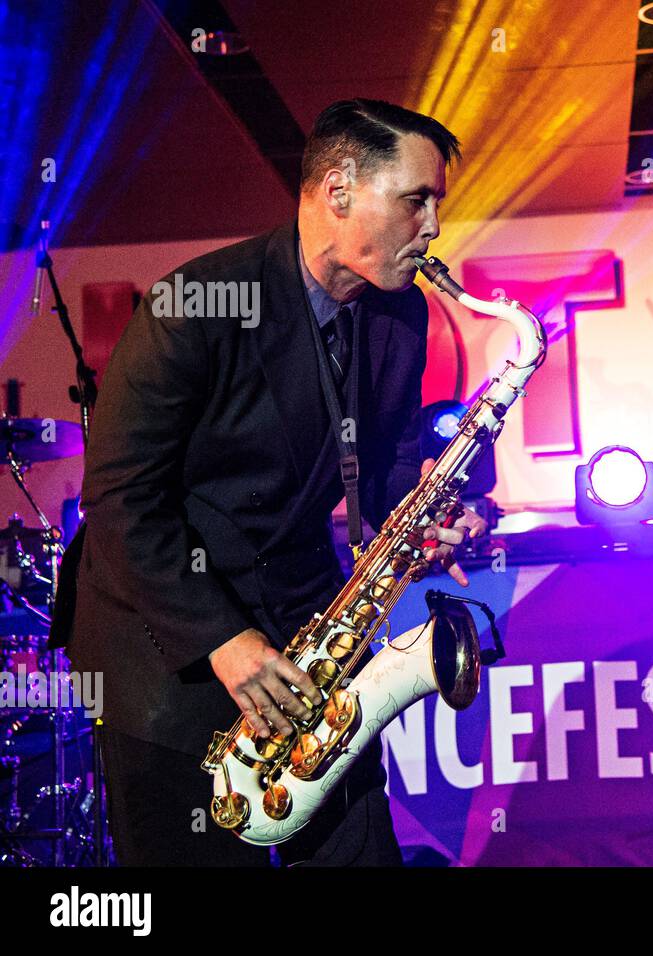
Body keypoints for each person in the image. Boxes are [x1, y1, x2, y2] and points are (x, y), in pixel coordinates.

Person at [52, 99, 485, 866]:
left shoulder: (402, 315)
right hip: (162, 641)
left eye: (436, 203)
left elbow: (383, 468)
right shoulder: (195, 305)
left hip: (303, 626)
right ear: (339, 189)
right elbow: (120, 500)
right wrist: (221, 640)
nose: (433, 227)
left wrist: (424, 520)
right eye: (416, 200)